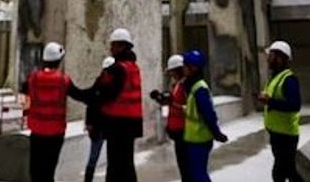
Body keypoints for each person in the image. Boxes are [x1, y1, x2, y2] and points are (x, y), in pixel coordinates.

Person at [91, 28, 145, 182]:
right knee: (127, 164)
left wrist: (94, 110)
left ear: (121, 46)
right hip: (132, 123)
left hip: (117, 123)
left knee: (115, 165)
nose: (111, 49)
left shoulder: (117, 69)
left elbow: (106, 95)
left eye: (113, 45)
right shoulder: (133, 67)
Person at [23, 41, 72, 182]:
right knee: (48, 171)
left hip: (37, 132)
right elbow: (79, 94)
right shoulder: (64, 80)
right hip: (56, 133)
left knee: (36, 171)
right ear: (59, 60)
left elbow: (24, 91)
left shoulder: (33, 78)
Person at [181, 50, 229, 182]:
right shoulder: (193, 86)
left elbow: (208, 114)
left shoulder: (199, 89)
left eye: (186, 66)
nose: (183, 69)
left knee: (198, 175)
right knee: (195, 173)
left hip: (199, 139)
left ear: (193, 68)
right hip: (194, 138)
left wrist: (216, 133)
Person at [259, 40, 303, 182]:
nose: (268, 59)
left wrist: (269, 101)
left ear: (280, 57)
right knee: (287, 172)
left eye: (271, 55)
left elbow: (294, 105)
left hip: (286, 135)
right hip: (277, 133)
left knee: (282, 172)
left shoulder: (289, 79)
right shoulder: (275, 77)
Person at [149, 54, 190, 182]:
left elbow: (189, 108)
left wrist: (173, 103)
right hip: (177, 130)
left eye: (172, 71)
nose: (171, 74)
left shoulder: (187, 86)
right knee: (183, 166)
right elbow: (171, 102)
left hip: (186, 130)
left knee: (187, 166)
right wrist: (160, 98)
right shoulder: (177, 85)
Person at [83, 57, 115, 182]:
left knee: (107, 158)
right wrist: (89, 123)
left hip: (106, 125)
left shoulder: (105, 84)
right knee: (94, 157)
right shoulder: (99, 85)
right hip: (100, 126)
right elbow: (91, 105)